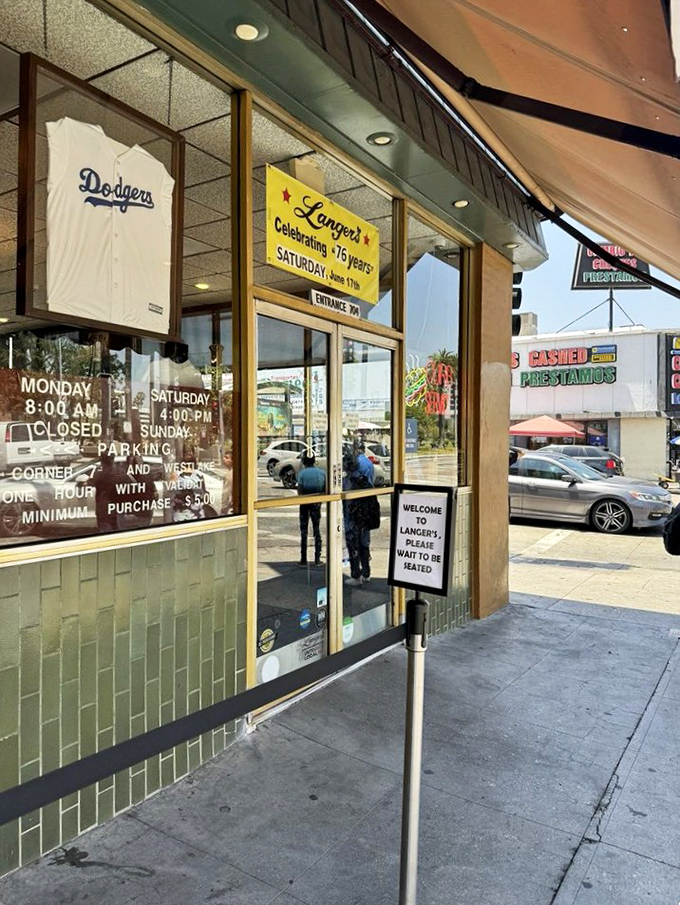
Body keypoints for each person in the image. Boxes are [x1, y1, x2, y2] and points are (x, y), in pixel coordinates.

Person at [343, 445, 375, 586]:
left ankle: (356, 575)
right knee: (364, 544)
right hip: (365, 516)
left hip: (352, 518)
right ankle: (366, 573)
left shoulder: (347, 483)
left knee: (353, 546)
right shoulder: (365, 480)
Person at [297, 452, 325, 566]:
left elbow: (300, 490)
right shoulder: (322, 473)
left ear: (304, 461)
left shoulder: (302, 474)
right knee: (316, 530)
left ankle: (303, 558)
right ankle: (317, 558)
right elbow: (325, 489)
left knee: (304, 531)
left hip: (304, 503)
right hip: (316, 504)